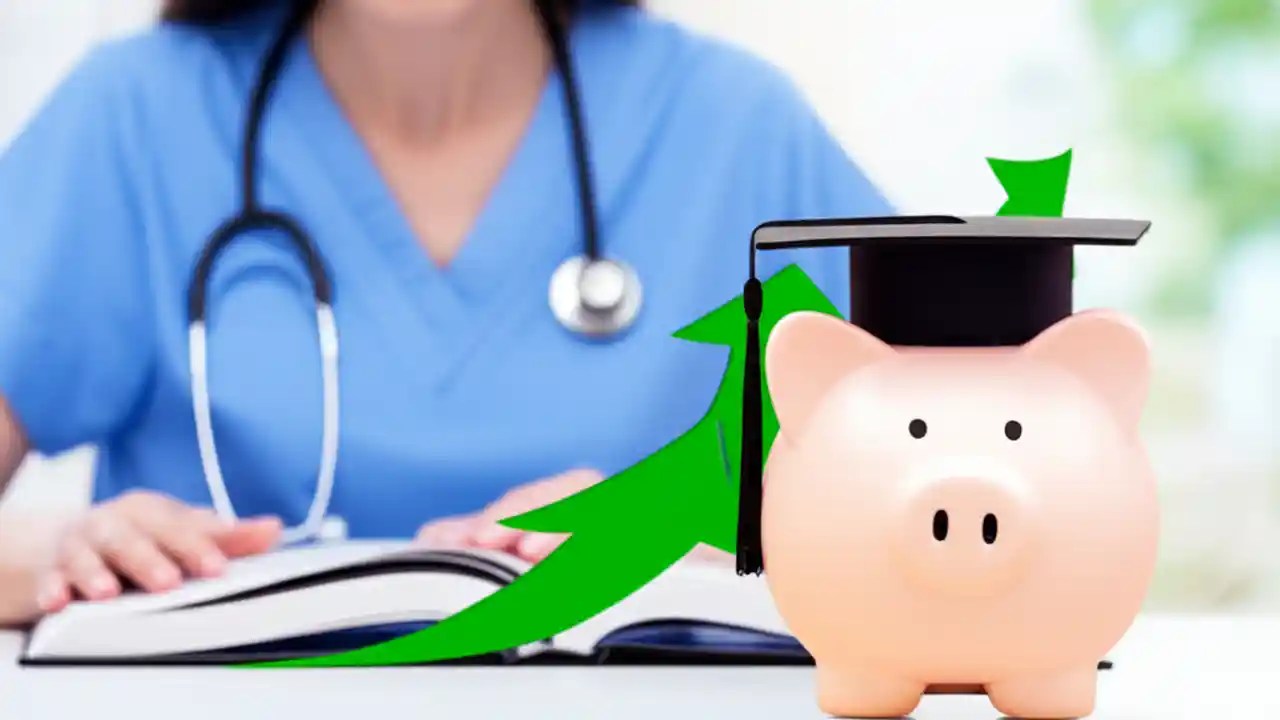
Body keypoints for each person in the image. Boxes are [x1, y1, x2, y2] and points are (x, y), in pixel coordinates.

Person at [0, 0, 891, 626]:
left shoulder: (734, 126)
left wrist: (719, 545)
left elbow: (956, 509)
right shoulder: (132, 115)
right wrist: (50, 560)